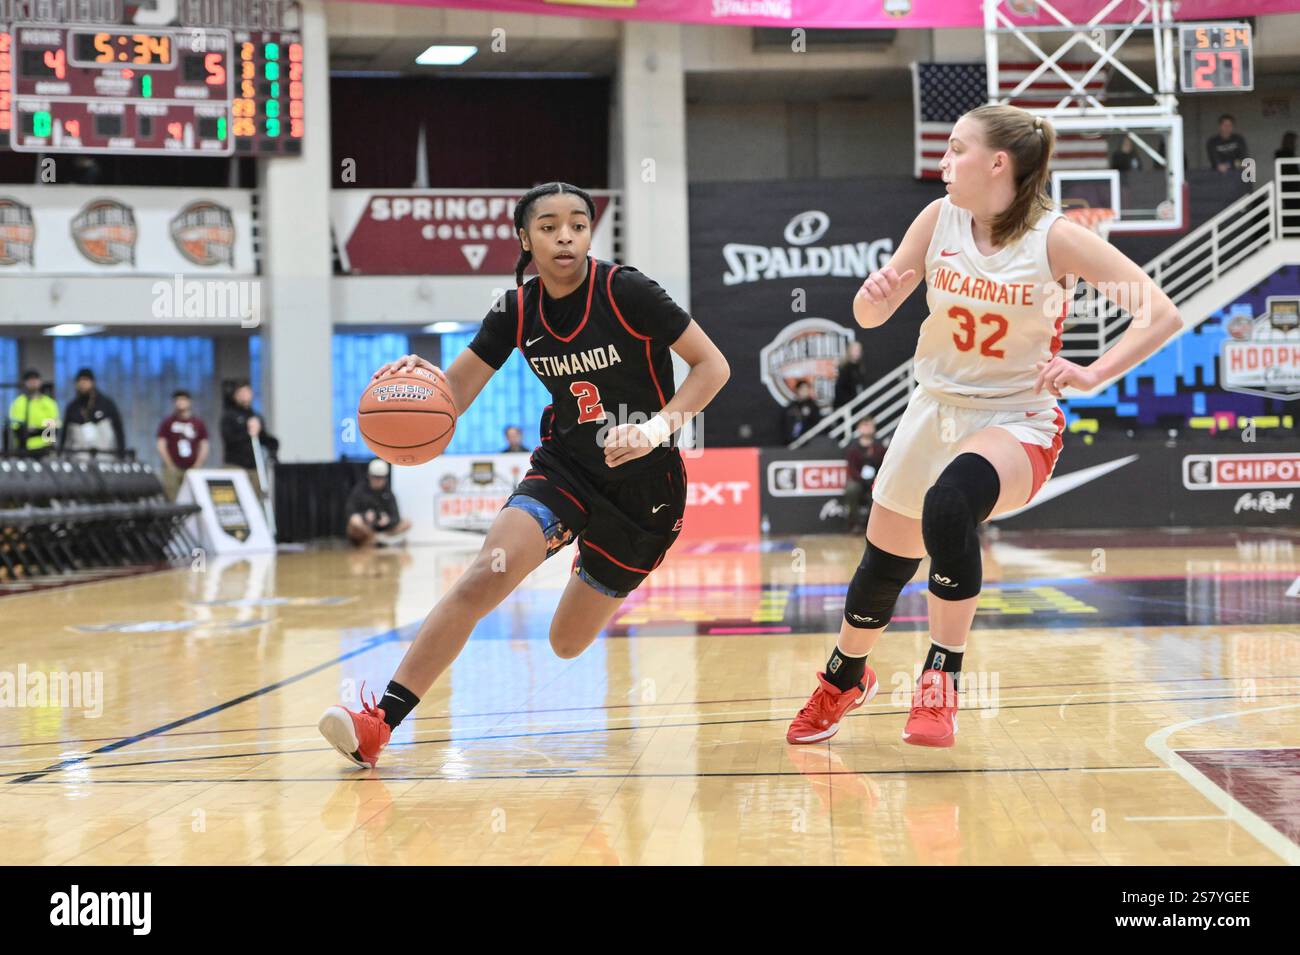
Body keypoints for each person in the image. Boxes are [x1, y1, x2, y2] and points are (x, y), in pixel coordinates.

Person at [786, 104, 1182, 748]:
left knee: (950, 504)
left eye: (956, 150)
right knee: (884, 564)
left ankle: (941, 678)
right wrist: (874, 296)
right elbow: (869, 315)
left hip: (1015, 419)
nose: (942, 162)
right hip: (933, 404)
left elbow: (1158, 313)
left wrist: (1094, 372)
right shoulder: (938, 219)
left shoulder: (1057, 237)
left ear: (998, 163)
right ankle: (845, 676)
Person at [318, 181, 730, 768]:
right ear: (524, 238)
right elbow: (453, 394)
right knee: (480, 581)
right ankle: (379, 723)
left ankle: (594, 560)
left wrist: (654, 429)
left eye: (578, 224)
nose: (565, 235)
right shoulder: (516, 309)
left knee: (565, 643)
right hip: (565, 469)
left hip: (645, 491)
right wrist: (418, 384)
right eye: (548, 226)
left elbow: (712, 365)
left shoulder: (627, 291)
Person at [220, 381, 279, 498]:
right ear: (235, 396)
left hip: (254, 466)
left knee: (255, 498)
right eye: (241, 392)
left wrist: (273, 446)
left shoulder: (255, 416)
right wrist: (248, 432)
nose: (244, 395)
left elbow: (263, 438)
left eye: (247, 392)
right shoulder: (229, 416)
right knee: (238, 498)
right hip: (235, 465)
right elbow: (229, 438)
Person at [59, 368, 125, 460]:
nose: (82, 384)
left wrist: (121, 453)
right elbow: (65, 434)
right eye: (79, 381)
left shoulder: (106, 403)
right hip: (79, 457)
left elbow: (118, 429)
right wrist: (61, 454)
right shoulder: (72, 407)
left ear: (92, 382)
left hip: (104, 455)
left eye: (85, 380)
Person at [155, 390, 210, 500]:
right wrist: (170, 464)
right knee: (171, 496)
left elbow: (204, 445)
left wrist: (198, 464)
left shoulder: (197, 423)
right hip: (173, 467)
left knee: (195, 496)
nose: (180, 403)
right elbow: (161, 444)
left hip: (192, 466)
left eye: (183, 400)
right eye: (177, 400)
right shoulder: (168, 422)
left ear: (189, 402)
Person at [345, 459, 412, 548]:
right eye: (375, 477)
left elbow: (396, 516)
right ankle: (378, 540)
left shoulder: (388, 493)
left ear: (385, 478)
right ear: (369, 476)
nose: (378, 480)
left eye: (381, 477)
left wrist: (388, 521)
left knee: (406, 523)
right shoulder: (360, 490)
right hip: (366, 527)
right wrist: (364, 516)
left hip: (384, 529)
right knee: (354, 523)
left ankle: (377, 540)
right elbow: (350, 509)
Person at [843, 416, 886, 534]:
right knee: (851, 489)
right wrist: (861, 479)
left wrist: (875, 479)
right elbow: (851, 468)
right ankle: (854, 524)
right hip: (858, 479)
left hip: (875, 480)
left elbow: (884, 465)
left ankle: (871, 526)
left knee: (879, 493)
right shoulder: (852, 446)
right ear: (859, 428)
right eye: (864, 425)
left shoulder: (880, 446)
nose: (867, 428)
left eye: (870, 425)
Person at [6, 369, 60, 459]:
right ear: (25, 383)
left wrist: (32, 430)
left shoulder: (49, 403)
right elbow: (18, 429)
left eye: (35, 379)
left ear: (40, 382)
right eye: (30, 380)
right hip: (24, 450)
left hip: (45, 450)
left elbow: (52, 431)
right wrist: (41, 430)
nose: (33, 382)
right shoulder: (18, 402)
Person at [832, 340, 870, 411]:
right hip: (845, 406)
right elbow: (840, 388)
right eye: (855, 350)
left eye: (859, 350)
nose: (857, 352)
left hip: (856, 405)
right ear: (849, 351)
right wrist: (849, 402)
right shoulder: (845, 367)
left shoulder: (859, 367)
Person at [781, 379, 822, 443]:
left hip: (807, 441)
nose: (805, 391)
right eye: (802, 389)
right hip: (790, 441)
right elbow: (784, 423)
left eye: (807, 389)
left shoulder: (813, 406)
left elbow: (816, 423)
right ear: (797, 390)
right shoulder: (791, 406)